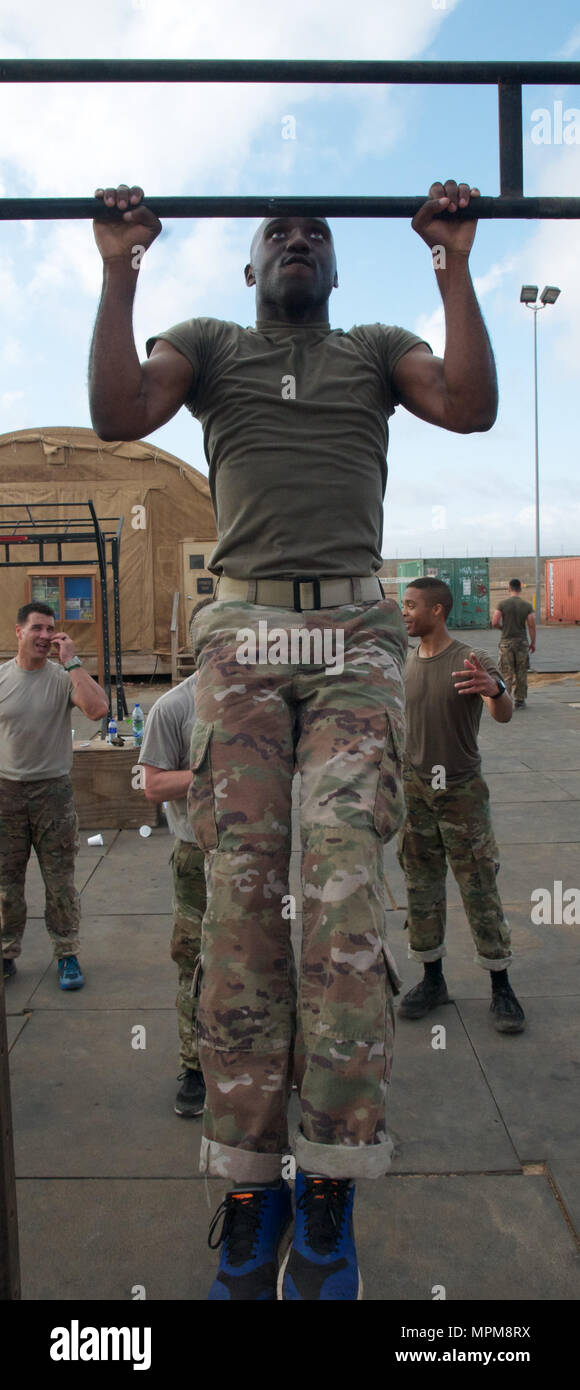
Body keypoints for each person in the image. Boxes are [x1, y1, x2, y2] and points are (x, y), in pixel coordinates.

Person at [89, 177, 498, 1301]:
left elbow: (467, 406)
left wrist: (453, 263)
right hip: (247, 623)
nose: (300, 239)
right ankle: (248, 1180)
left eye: (316, 230)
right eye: (278, 231)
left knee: (343, 900)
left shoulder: (372, 346)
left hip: (358, 627)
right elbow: (120, 412)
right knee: (240, 898)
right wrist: (120, 268)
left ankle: (330, 1180)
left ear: (334, 264)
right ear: (251, 265)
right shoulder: (212, 342)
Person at [397, 578, 525, 1034]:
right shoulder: (404, 661)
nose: (405, 612)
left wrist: (493, 689)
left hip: (461, 790)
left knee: (479, 888)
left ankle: (501, 986)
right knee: (422, 887)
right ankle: (432, 980)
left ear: (438, 609)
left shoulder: (472, 659)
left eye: (411, 605)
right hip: (414, 791)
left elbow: (504, 713)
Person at [1, 603, 108, 988]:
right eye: (37, 629)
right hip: (6, 793)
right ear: (19, 631)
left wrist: (73, 662)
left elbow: (98, 709)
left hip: (53, 793)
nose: (45, 636)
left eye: (51, 630)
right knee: (5, 882)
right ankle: (6, 952)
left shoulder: (63, 677)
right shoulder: (2, 679)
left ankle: (67, 955)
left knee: (60, 881)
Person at [139, 670, 207, 1119]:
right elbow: (153, 785)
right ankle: (195, 1068)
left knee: (267, 960)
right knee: (195, 962)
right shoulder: (174, 706)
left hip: (258, 856)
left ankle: (268, 1061)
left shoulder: (263, 698)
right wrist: (212, 774)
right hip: (197, 857)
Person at [492, 578, 535, 708]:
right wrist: (533, 642)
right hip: (522, 643)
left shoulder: (502, 604)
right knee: (521, 672)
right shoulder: (527, 606)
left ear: (509, 588)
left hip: (506, 643)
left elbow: (494, 621)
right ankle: (520, 700)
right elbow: (531, 625)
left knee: (506, 672)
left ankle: (505, 699)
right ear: (520, 589)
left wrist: (502, 628)